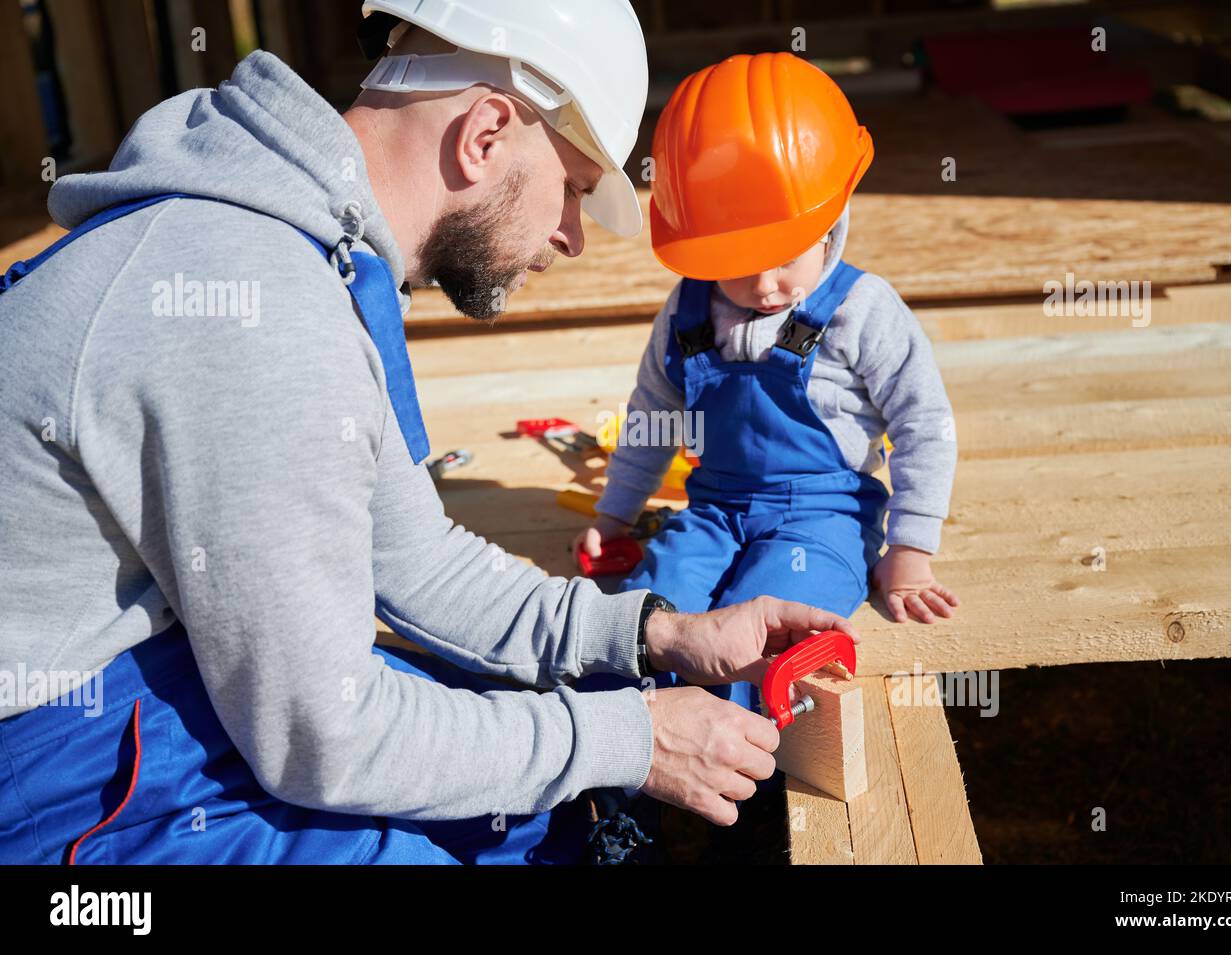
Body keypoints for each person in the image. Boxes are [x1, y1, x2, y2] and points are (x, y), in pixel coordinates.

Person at [0, 2, 856, 865]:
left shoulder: (313, 254)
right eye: (574, 188)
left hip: (137, 698)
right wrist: (631, 736)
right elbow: (325, 738)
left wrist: (652, 634)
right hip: (51, 783)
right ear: (485, 134)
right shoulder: (252, 308)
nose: (571, 238)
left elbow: (414, 561)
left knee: (535, 809)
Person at [573, 53, 961, 713]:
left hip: (822, 520)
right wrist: (614, 514)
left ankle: (749, 729)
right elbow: (652, 416)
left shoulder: (861, 309)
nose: (763, 286)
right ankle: (630, 749)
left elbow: (924, 423)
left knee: (769, 605)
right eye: (734, 263)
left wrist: (910, 547)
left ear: (830, 215)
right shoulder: (688, 311)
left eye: (783, 255)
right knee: (657, 600)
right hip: (714, 511)